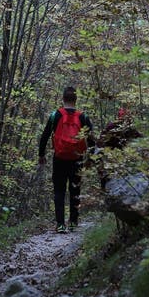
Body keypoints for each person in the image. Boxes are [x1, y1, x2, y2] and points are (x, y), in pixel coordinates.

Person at [38, 86, 94, 233]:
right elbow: (92, 139)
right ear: (75, 100)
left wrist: (41, 154)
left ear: (63, 99)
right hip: (77, 158)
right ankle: (74, 223)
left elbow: (44, 136)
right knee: (75, 190)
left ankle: (60, 224)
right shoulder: (83, 117)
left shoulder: (55, 115)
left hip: (59, 158)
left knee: (59, 191)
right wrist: (91, 157)